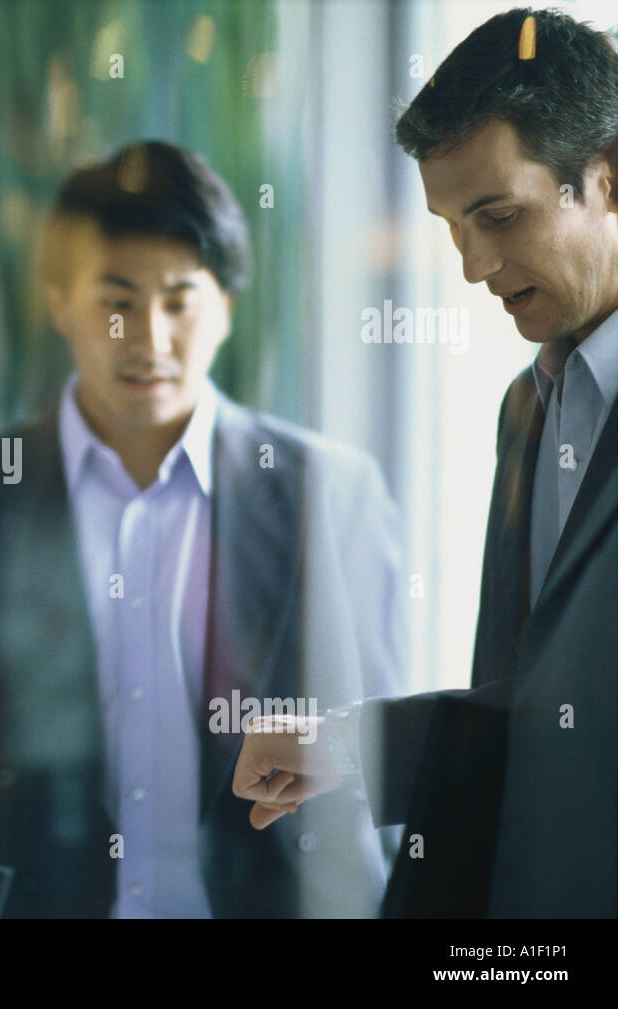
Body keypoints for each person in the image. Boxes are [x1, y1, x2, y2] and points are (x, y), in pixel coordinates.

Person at [0, 140, 406, 917]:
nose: (149, 339)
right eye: (116, 300)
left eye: (179, 299)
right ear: (59, 301)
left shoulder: (331, 494)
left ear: (225, 305)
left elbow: (378, 763)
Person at [232, 7, 618, 917]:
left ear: (606, 175)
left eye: (499, 215)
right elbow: (529, 701)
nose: (474, 265)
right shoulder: (526, 410)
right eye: (453, 225)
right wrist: (356, 745)